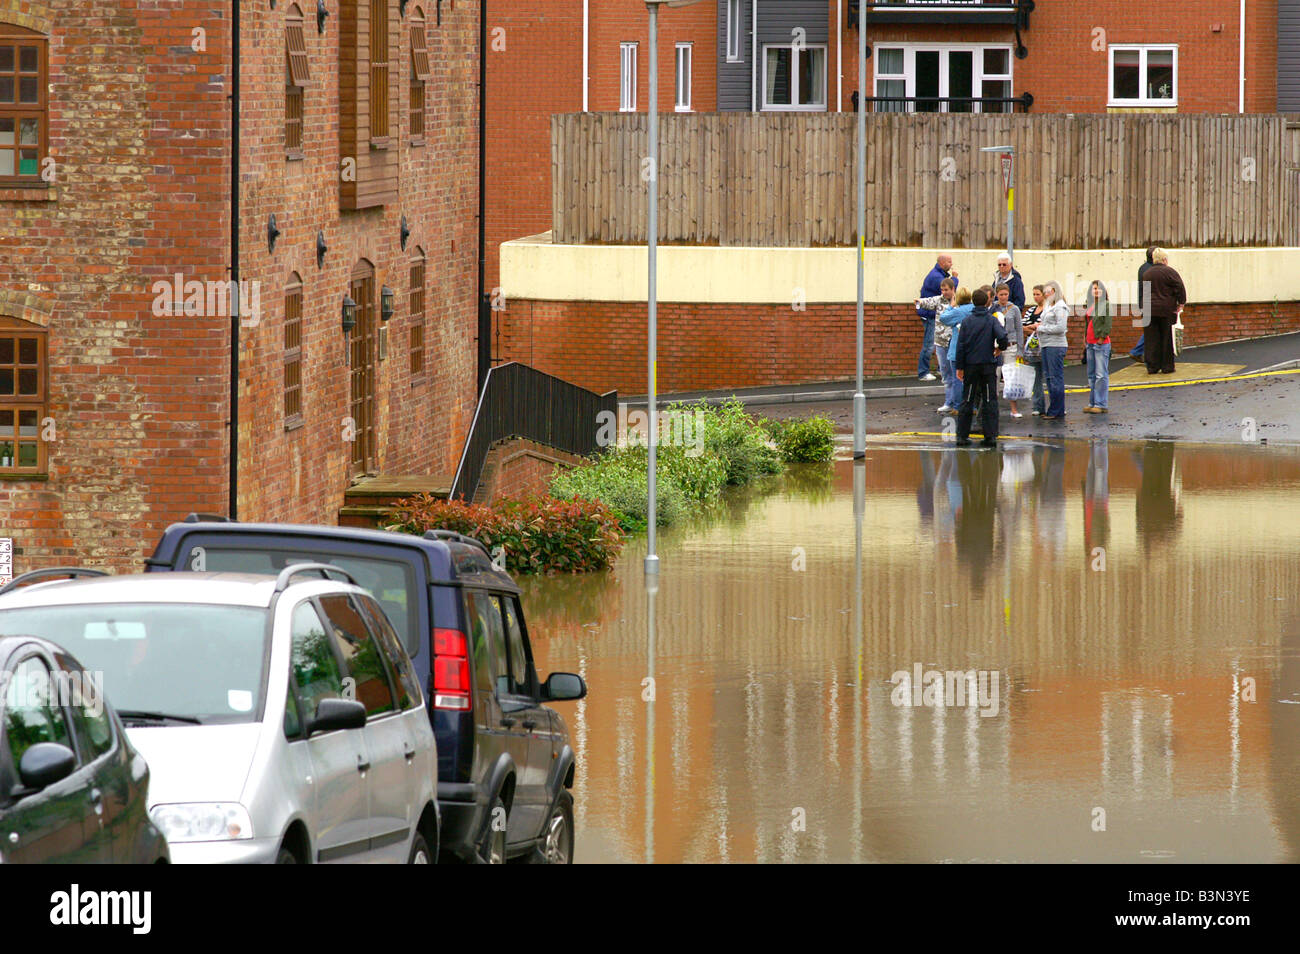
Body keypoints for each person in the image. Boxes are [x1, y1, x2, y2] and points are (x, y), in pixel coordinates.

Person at [954, 287, 1008, 449]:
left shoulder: (967, 321)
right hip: (987, 365)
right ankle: (990, 436)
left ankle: (962, 436)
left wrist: (960, 367)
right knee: (990, 399)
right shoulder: (991, 320)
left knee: (968, 399)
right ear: (987, 302)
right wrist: (1000, 349)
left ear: (973, 302)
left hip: (971, 365)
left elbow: (961, 345)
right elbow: (1003, 336)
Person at [916, 278, 962, 414]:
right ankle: (948, 402)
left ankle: (957, 403)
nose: (944, 292)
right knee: (945, 374)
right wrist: (919, 301)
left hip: (954, 342)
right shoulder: (939, 300)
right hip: (940, 342)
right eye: (942, 290)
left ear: (953, 289)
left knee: (956, 375)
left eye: (946, 290)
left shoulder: (959, 301)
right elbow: (927, 302)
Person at [1143, 248, 1187, 375]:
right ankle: (1167, 366)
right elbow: (1180, 287)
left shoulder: (1147, 273)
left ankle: (1152, 366)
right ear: (1164, 259)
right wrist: (1181, 303)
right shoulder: (1170, 272)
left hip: (1150, 310)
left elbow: (1145, 293)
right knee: (1167, 338)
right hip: (1167, 310)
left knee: (1152, 339)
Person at [916, 253, 958, 381]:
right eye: (949, 262)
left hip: (936, 316)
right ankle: (923, 372)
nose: (951, 265)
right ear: (942, 263)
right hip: (930, 316)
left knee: (943, 343)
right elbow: (948, 288)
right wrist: (955, 278)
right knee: (929, 344)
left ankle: (942, 369)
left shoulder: (940, 274)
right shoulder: (936, 276)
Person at [1032, 280, 1070, 420]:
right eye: (1046, 292)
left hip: (1056, 345)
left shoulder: (1060, 307)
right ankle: (1055, 409)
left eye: (1050, 291)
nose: (1047, 294)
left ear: (1056, 291)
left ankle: (1056, 410)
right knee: (1049, 377)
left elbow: (1061, 328)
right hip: (1046, 344)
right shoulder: (1049, 306)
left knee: (1055, 377)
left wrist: (1040, 328)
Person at [992, 281, 1024, 418]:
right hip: (997, 347)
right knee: (995, 376)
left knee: (1011, 378)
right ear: (996, 295)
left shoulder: (1014, 309)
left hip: (1011, 345)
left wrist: (1020, 350)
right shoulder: (993, 308)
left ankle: (1014, 409)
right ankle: (993, 409)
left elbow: (1019, 329)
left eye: (1006, 294)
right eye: (1001, 294)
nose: (1003, 297)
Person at [1083, 280, 1112, 414]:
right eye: (1094, 288)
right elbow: (1087, 323)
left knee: (1101, 374)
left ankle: (1101, 404)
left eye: (1098, 288)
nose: (1096, 291)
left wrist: (1101, 337)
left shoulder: (1105, 305)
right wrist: (1085, 338)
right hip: (1090, 343)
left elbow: (1107, 323)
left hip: (1101, 343)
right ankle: (1093, 402)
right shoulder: (1090, 305)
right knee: (1092, 374)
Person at [1021, 284, 1046, 416]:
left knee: (1049, 377)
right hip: (1031, 349)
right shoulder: (1031, 310)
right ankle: (1038, 406)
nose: (1036, 297)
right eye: (1034, 294)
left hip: (1045, 347)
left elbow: (1043, 326)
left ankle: (1055, 406)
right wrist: (1033, 327)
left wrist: (1035, 328)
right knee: (1035, 379)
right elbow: (1023, 326)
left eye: (1038, 294)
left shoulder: (1048, 309)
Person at [1131, 246, 1156, 362]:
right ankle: (1136, 351)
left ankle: (1142, 353)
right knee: (1151, 330)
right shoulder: (1151, 270)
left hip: (1143, 303)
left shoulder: (1143, 267)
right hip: (1149, 304)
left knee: (1150, 329)